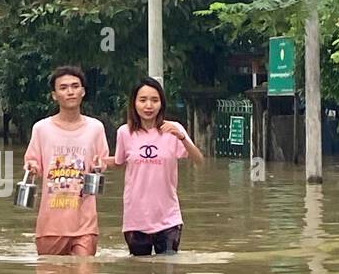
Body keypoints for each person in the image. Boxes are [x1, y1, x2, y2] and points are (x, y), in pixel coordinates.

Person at [109, 76, 204, 256]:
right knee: (138, 273)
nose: (148, 106)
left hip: (168, 217)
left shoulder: (173, 129)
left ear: (161, 103)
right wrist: (95, 160)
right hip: (135, 217)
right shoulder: (125, 132)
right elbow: (118, 162)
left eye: (154, 100)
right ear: (134, 103)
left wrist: (182, 138)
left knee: (168, 271)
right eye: (143, 100)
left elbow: (198, 160)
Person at [23, 66, 110, 257]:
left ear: (83, 91)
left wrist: (98, 166)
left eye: (75, 86)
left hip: (85, 224)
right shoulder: (41, 129)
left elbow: (102, 162)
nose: (70, 92)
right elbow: (32, 163)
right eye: (63, 88)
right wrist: (32, 167)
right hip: (51, 225)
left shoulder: (95, 128)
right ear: (54, 95)